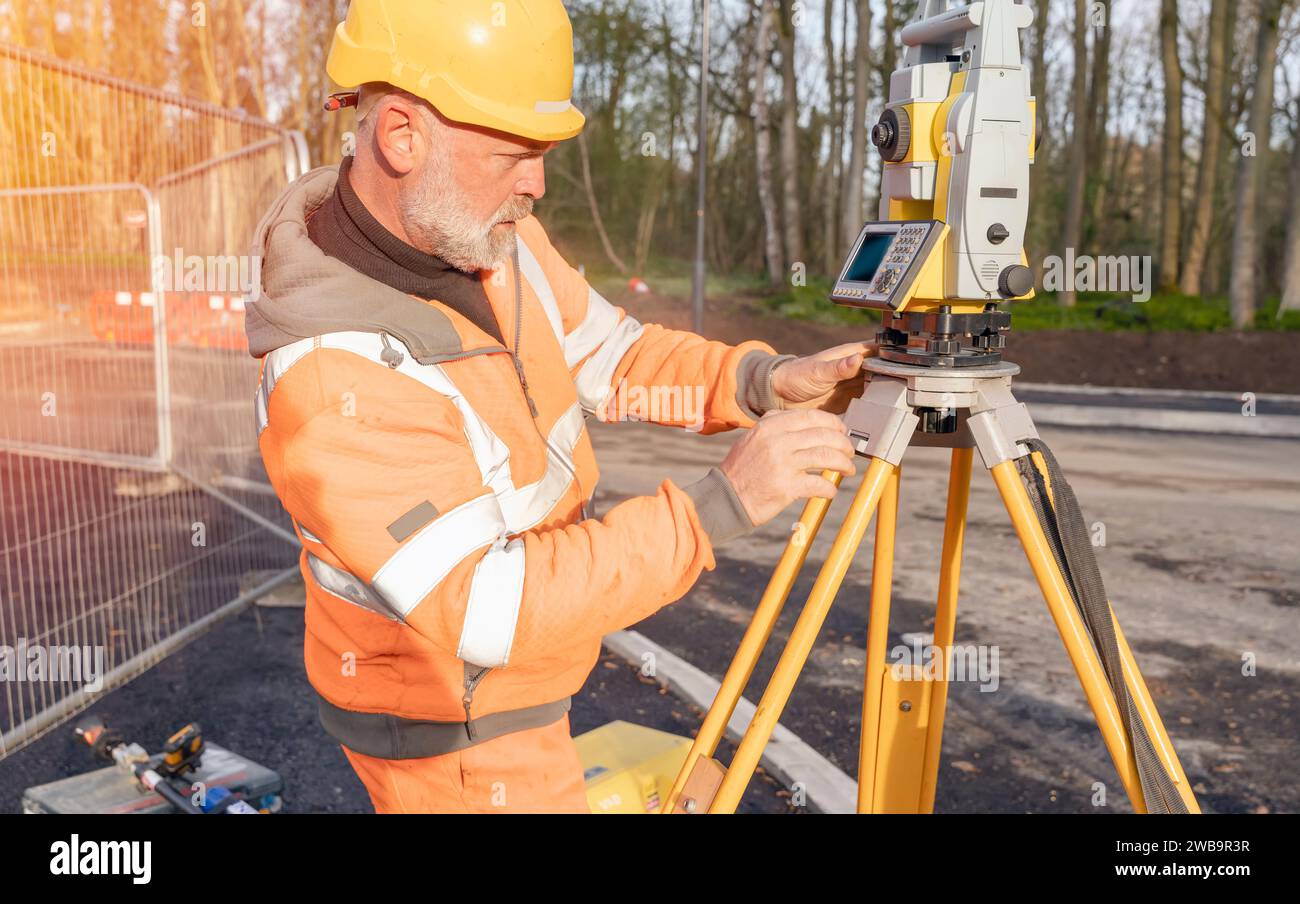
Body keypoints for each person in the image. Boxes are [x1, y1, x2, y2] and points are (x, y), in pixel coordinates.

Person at [247, 0, 872, 813]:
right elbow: (489, 607)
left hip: (522, 689)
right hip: (451, 740)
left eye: (542, 154)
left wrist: (759, 382)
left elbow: (616, 356)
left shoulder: (490, 240)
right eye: (514, 154)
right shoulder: (335, 376)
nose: (536, 184)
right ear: (402, 135)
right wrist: (721, 505)